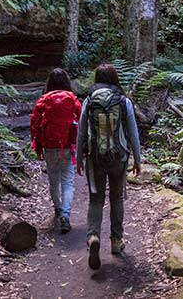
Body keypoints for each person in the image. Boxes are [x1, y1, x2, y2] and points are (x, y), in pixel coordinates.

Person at [76, 64, 141, 270]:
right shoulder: (124, 102)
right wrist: (137, 159)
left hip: (95, 158)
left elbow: (81, 131)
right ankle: (116, 241)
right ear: (115, 79)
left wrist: (79, 158)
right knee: (116, 198)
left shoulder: (89, 101)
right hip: (119, 158)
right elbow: (132, 132)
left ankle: (94, 236)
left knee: (96, 199)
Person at [30, 68, 81, 234]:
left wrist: (37, 148)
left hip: (49, 145)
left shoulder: (44, 100)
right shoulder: (72, 99)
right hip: (68, 145)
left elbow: (35, 125)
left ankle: (58, 209)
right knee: (67, 181)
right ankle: (66, 214)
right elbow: (81, 120)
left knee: (53, 180)